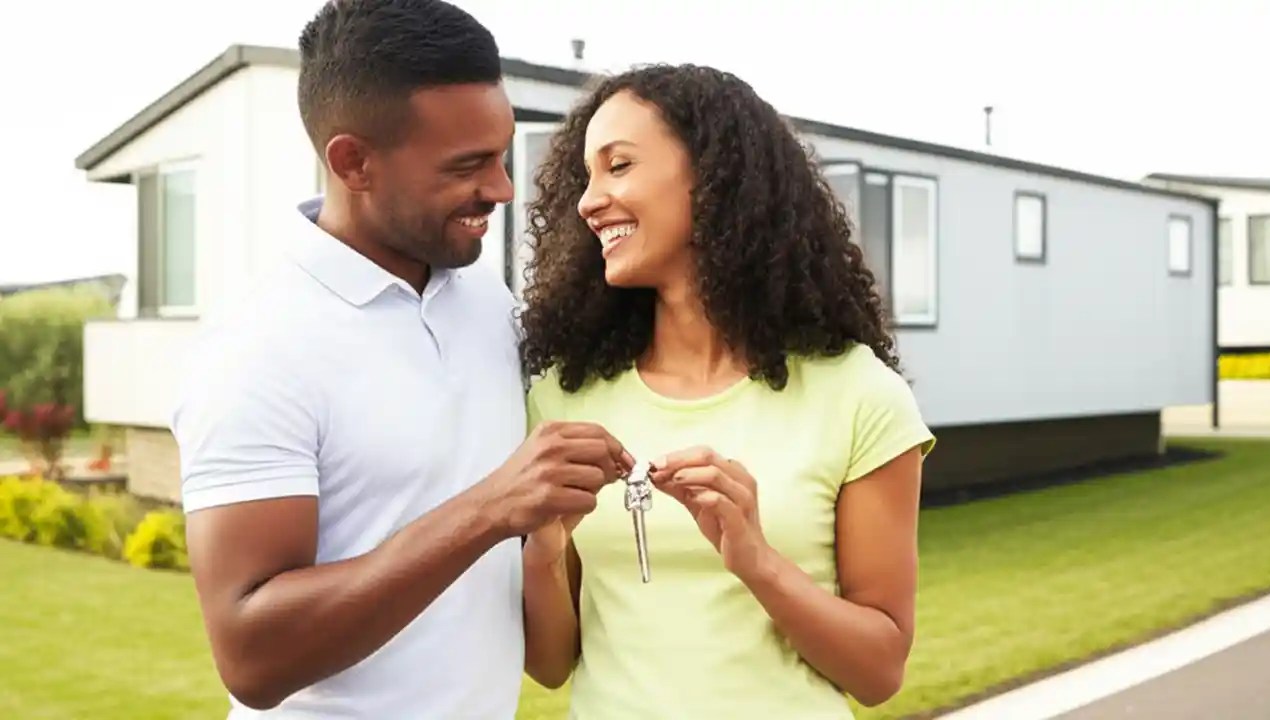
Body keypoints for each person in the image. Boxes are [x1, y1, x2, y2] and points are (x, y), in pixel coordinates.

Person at [169, 2, 631, 717]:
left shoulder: (482, 297)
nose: (504, 189)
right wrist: (491, 509)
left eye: (502, 154)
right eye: (469, 165)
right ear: (353, 161)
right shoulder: (257, 346)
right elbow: (250, 658)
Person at [517, 63, 937, 719]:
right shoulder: (563, 399)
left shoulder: (858, 395)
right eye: (585, 175)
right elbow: (549, 666)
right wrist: (542, 548)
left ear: (714, 179)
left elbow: (879, 670)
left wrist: (755, 560)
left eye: (618, 166)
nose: (587, 200)